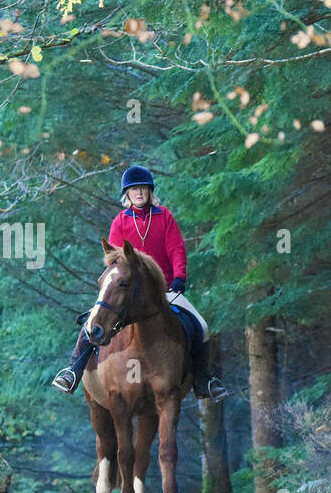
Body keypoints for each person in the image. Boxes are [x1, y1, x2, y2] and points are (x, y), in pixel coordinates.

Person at [51, 166, 227, 402]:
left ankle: (204, 379)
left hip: (162, 291)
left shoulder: (164, 216)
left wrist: (179, 278)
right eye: (134, 190)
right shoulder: (120, 222)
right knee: (93, 323)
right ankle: (73, 371)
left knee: (201, 325)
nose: (139, 193)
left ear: (150, 191)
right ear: (128, 194)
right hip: (127, 294)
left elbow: (176, 249)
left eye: (143, 189)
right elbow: (114, 260)